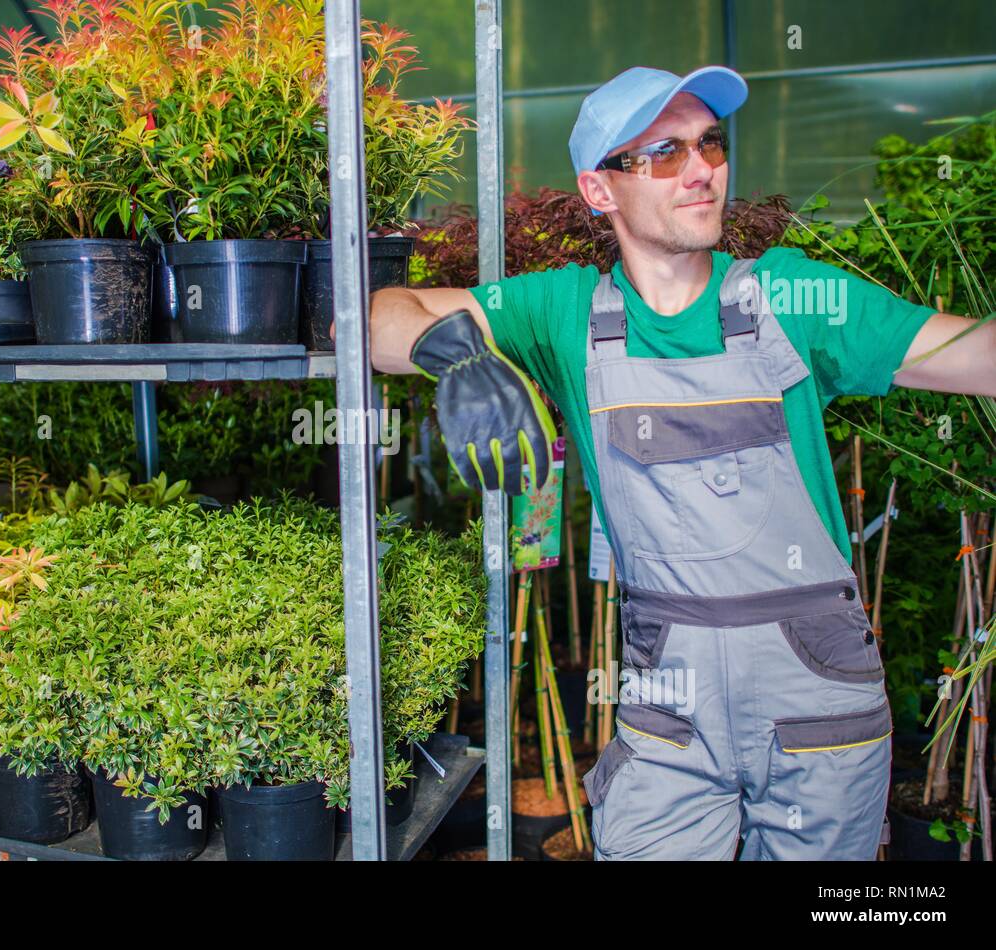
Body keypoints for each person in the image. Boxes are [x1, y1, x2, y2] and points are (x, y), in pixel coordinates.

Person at [342, 65, 996, 860]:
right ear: (599, 189)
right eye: (661, 153)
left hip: (814, 686)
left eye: (710, 144)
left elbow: (974, 356)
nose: (701, 170)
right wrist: (456, 352)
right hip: (665, 691)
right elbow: (372, 315)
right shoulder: (566, 312)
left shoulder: (789, 298)